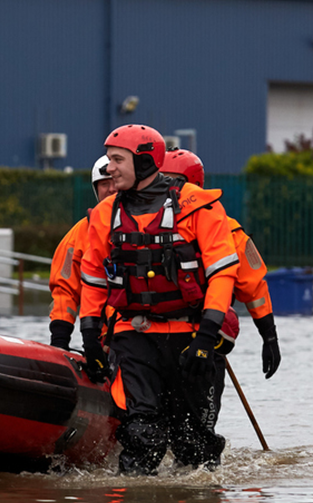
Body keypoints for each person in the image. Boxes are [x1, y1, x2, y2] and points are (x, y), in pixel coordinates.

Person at [78, 124, 240, 475]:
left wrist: (206, 339)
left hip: (191, 337)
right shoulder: (105, 214)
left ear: (146, 161)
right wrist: (89, 335)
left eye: (117, 160)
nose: (109, 169)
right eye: (108, 160)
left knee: (192, 440)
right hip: (134, 337)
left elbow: (222, 275)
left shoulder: (199, 207)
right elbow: (92, 278)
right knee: (141, 429)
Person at [162, 148, 281, 380]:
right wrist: (269, 337)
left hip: (143, 337)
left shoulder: (131, 224)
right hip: (203, 336)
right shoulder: (228, 229)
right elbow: (253, 287)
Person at [49, 155, 118, 350]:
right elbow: (64, 290)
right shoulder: (79, 234)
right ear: (96, 189)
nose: (111, 189)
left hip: (136, 333)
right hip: (97, 336)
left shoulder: (147, 227)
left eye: (115, 182)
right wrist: (60, 342)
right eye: (104, 184)